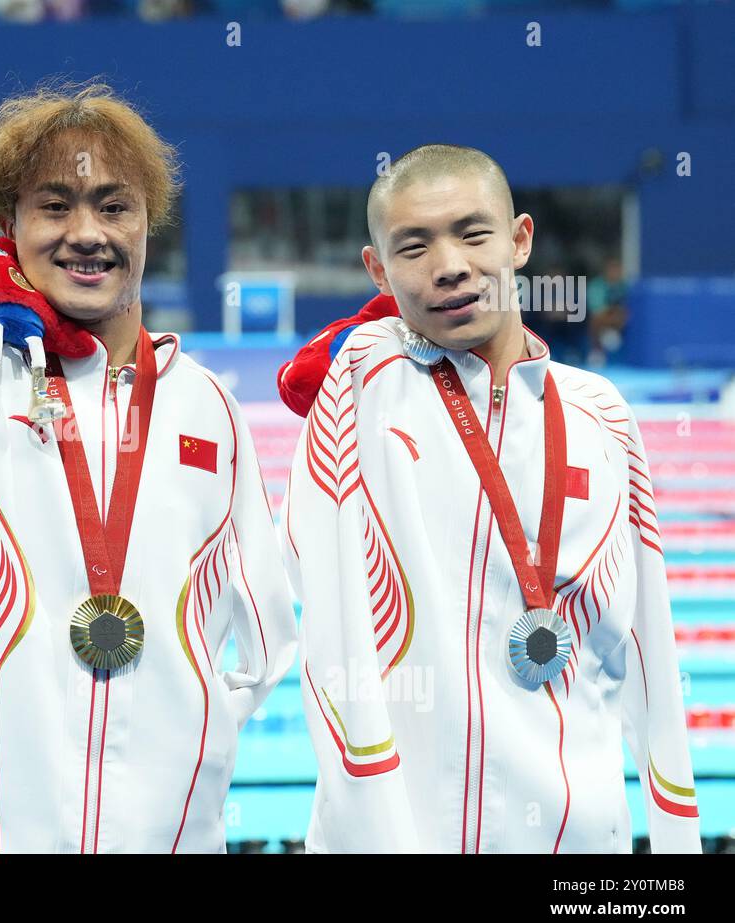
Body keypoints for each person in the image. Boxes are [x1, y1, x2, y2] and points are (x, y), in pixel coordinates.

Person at [0, 83, 297, 853]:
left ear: (149, 223)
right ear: (7, 227)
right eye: (55, 206)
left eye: (114, 206)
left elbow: (267, 622)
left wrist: (195, 742)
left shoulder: (206, 408)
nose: (87, 233)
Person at [280, 144, 699, 853]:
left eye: (474, 233)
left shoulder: (602, 413)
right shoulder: (365, 384)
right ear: (377, 272)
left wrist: (676, 837)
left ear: (520, 239)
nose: (448, 265)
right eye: (413, 247)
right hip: (395, 833)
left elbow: (649, 636)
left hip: (577, 843)